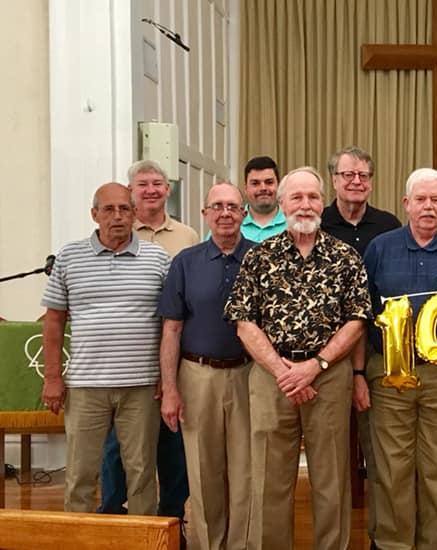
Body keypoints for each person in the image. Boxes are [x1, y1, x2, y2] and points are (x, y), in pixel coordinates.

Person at [225, 167, 371, 550]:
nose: (305, 204)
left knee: (331, 479)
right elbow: (243, 321)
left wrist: (315, 366)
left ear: (322, 201)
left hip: (328, 376)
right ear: (282, 203)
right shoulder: (259, 257)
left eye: (312, 197)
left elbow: (357, 320)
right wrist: (281, 370)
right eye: (296, 197)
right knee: (268, 477)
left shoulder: (345, 256)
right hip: (272, 377)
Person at [363, 168, 437, 550]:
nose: (428, 207)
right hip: (388, 372)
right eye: (421, 199)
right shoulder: (381, 248)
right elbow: (362, 313)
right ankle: (394, 544)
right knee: (392, 469)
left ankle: (433, 543)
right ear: (406, 204)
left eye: (436, 200)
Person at [40, 183, 169, 514]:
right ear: (94, 214)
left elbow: (172, 323)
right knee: (80, 474)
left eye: (124, 209)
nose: (117, 216)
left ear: (135, 213)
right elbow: (53, 321)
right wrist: (52, 377)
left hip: (142, 387)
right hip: (85, 388)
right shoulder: (69, 256)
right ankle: (76, 542)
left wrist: (167, 378)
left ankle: (144, 541)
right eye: (108, 209)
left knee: (141, 474)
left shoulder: (157, 259)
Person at [99, 160, 199, 524]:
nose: (152, 190)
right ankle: (113, 512)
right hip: (129, 356)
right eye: (143, 184)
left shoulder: (187, 235)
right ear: (131, 190)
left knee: (173, 440)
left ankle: (172, 517)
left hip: (175, 350)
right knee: (118, 444)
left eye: (158, 183)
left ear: (168, 189)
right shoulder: (119, 230)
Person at [158, 183, 257, 550]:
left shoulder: (261, 259)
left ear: (244, 214)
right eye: (217, 206)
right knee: (203, 471)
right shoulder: (185, 262)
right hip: (197, 376)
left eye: (233, 206)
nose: (226, 213)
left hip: (250, 375)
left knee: (247, 470)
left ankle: (243, 545)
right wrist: (170, 388)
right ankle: (209, 544)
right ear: (205, 214)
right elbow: (171, 328)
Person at [320, 145, 402, 548]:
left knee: (379, 455)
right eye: (348, 175)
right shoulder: (316, 223)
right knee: (331, 459)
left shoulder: (388, 226)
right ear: (333, 179)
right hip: (323, 359)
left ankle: (379, 539)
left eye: (364, 176)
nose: (356, 182)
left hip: (375, 352)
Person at [241, 155, 287, 242]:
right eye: (255, 183)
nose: (263, 188)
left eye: (269, 182)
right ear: (246, 188)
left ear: (279, 186)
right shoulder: (229, 222)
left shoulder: (294, 222)